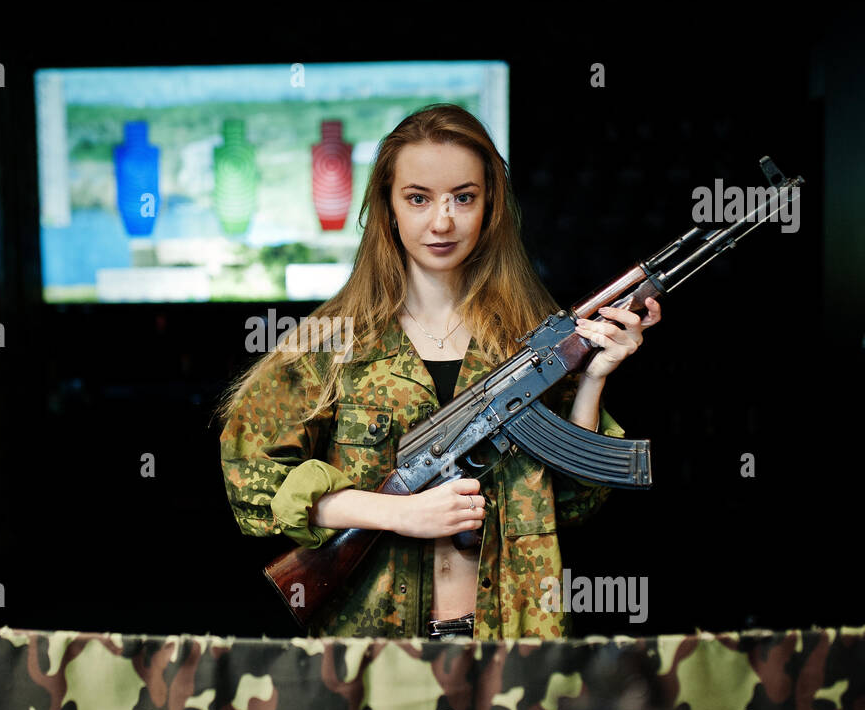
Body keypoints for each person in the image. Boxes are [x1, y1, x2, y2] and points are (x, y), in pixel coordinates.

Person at [217, 103, 660, 640]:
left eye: (463, 197)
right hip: (377, 657)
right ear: (388, 207)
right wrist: (395, 512)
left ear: (489, 205)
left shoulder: (521, 339)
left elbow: (576, 500)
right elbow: (251, 480)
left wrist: (594, 376)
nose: (442, 221)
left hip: (513, 645)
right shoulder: (333, 342)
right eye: (419, 198)